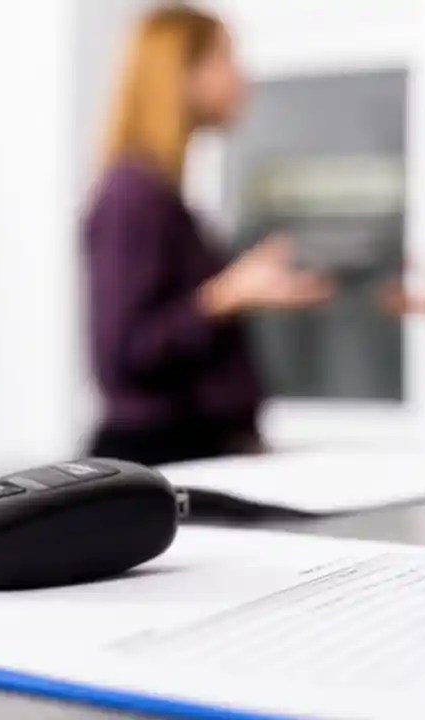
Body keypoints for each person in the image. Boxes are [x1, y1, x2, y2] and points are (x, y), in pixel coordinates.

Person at [84, 6, 332, 465]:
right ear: (180, 73)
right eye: (225, 58)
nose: (240, 77)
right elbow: (125, 354)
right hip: (158, 456)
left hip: (201, 450)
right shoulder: (131, 196)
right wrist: (227, 294)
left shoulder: (165, 196)